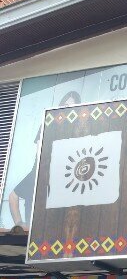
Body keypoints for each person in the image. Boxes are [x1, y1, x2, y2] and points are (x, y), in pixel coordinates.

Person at [8, 90, 81, 230]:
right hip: (39, 172)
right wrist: (19, 224)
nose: (67, 108)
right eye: (65, 104)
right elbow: (38, 150)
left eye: (72, 106)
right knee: (16, 198)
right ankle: (22, 229)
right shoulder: (47, 123)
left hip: (57, 175)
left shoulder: (73, 129)